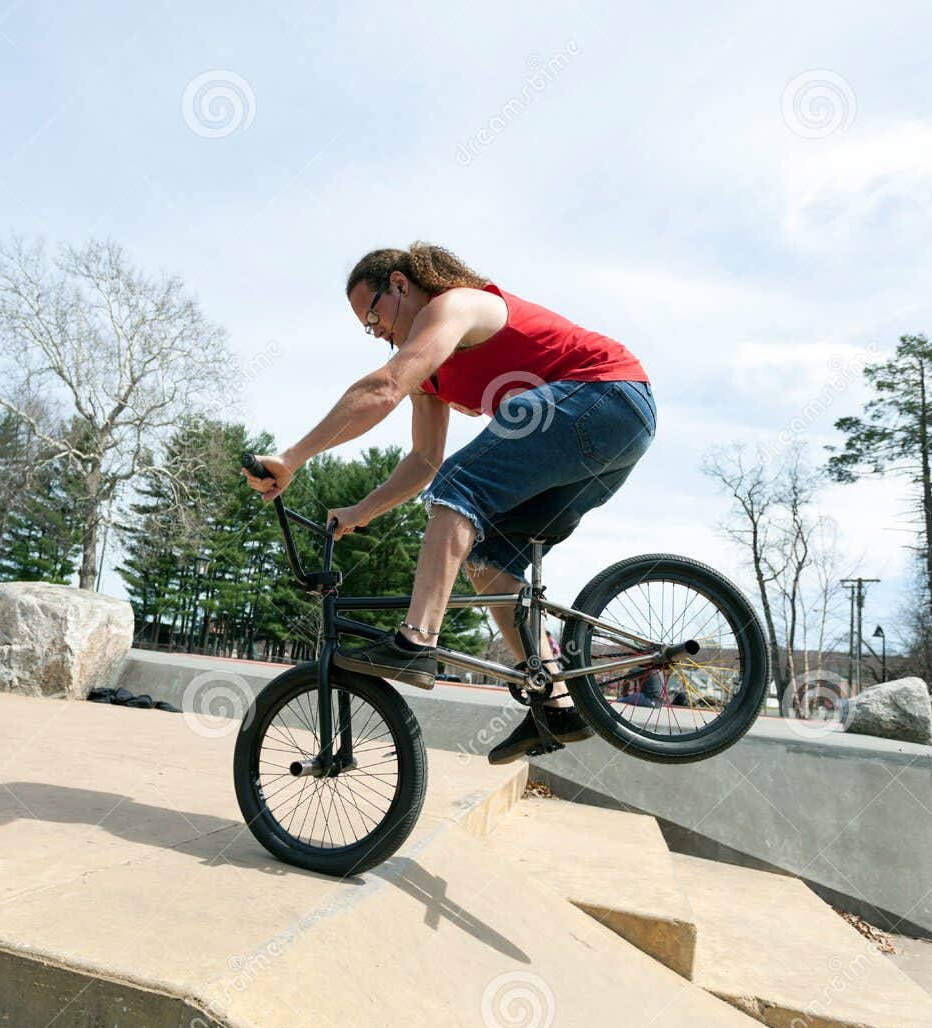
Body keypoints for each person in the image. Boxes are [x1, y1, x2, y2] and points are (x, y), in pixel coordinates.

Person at [242, 243, 656, 763]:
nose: (376, 333)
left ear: (400, 284)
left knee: (462, 486)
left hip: (609, 397)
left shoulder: (455, 305)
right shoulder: (433, 379)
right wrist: (360, 512)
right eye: (365, 328)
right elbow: (422, 461)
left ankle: (418, 640)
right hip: (601, 441)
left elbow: (385, 387)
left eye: (373, 315)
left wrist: (292, 457)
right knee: (487, 564)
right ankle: (558, 701)